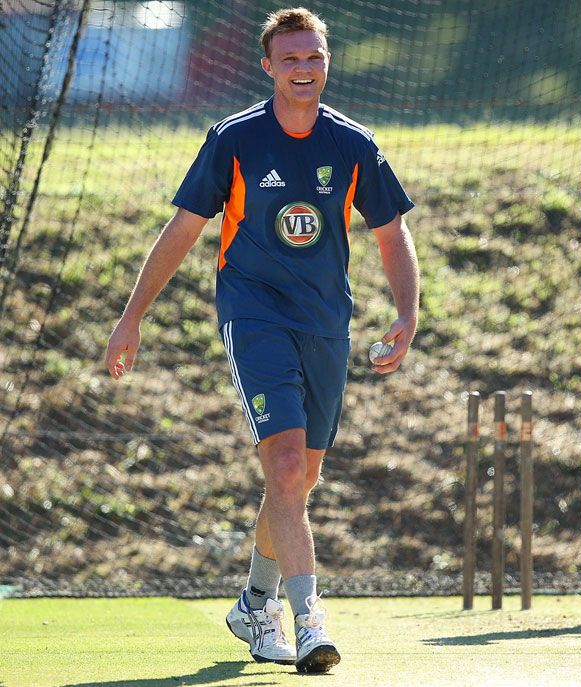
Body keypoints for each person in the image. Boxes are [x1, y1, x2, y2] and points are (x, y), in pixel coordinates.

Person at [104, 7, 419, 673]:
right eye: (292, 59)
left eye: (315, 58)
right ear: (268, 66)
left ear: (326, 63)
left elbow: (392, 233)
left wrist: (407, 312)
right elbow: (184, 229)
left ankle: (251, 598)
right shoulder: (235, 137)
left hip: (327, 322)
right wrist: (132, 316)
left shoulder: (355, 144)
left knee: (299, 476)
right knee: (280, 466)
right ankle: (308, 620)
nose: (304, 69)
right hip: (253, 313)